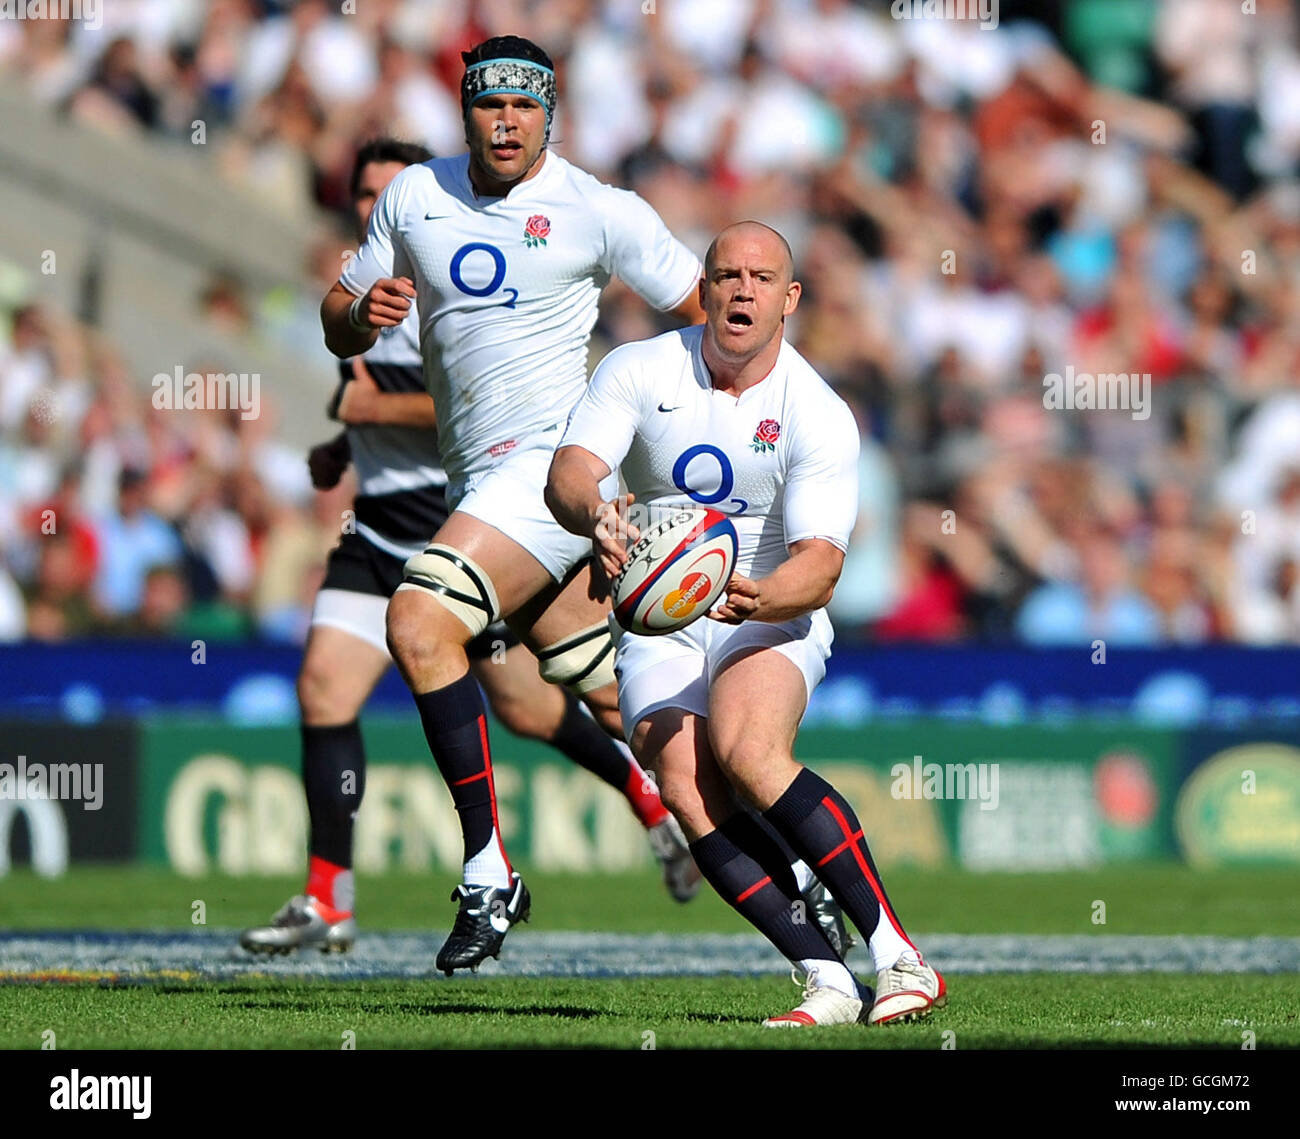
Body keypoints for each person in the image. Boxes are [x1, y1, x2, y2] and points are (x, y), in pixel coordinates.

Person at [317, 35, 724, 975]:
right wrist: (359, 314)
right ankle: (791, 861)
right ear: (466, 113)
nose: (506, 121)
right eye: (489, 106)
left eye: (524, 107)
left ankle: (486, 874)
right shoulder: (418, 194)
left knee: (419, 623)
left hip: (548, 474)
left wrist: (673, 439)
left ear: (552, 113)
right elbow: (337, 306)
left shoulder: (599, 209)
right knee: (618, 698)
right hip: (478, 482)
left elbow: (707, 316)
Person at [546, 221, 946, 1027]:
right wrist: (596, 512)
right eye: (726, 274)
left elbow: (821, 564)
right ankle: (827, 979)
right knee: (687, 786)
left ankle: (900, 956)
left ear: (789, 298)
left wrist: (761, 597)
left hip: (768, 605)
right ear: (704, 286)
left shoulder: (818, 410)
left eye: (762, 278)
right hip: (658, 608)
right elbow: (571, 473)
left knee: (748, 751)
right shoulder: (639, 368)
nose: (742, 289)